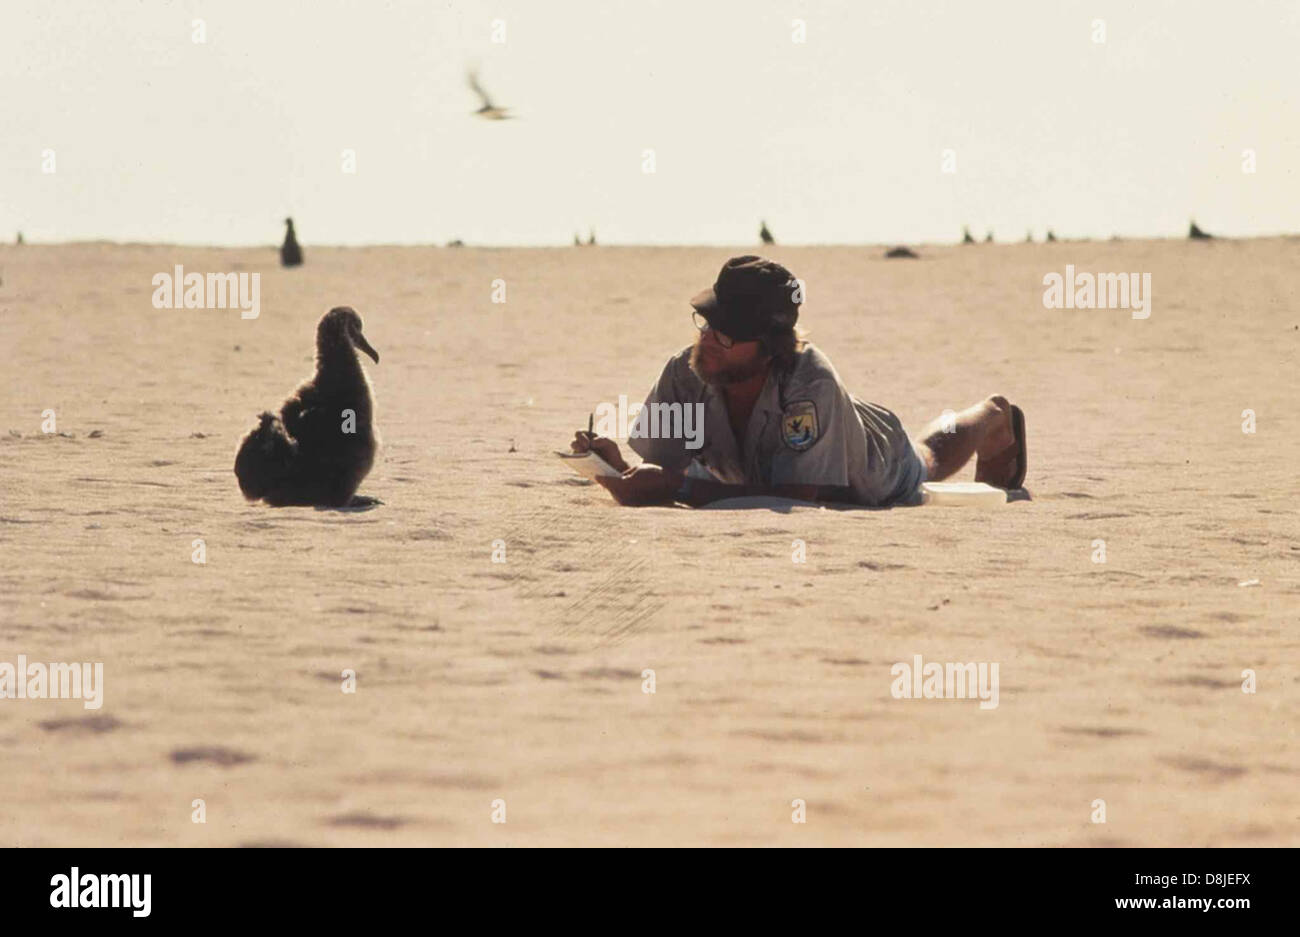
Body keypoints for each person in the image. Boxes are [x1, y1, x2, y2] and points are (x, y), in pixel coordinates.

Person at [571, 255, 1026, 507]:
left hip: (871, 458)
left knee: (924, 461)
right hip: (796, 444)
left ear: (768, 347)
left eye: (726, 335)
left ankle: (992, 414)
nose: (707, 339)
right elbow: (664, 470)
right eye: (706, 324)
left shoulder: (810, 384)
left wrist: (678, 489)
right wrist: (617, 467)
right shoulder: (686, 370)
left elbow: (800, 496)